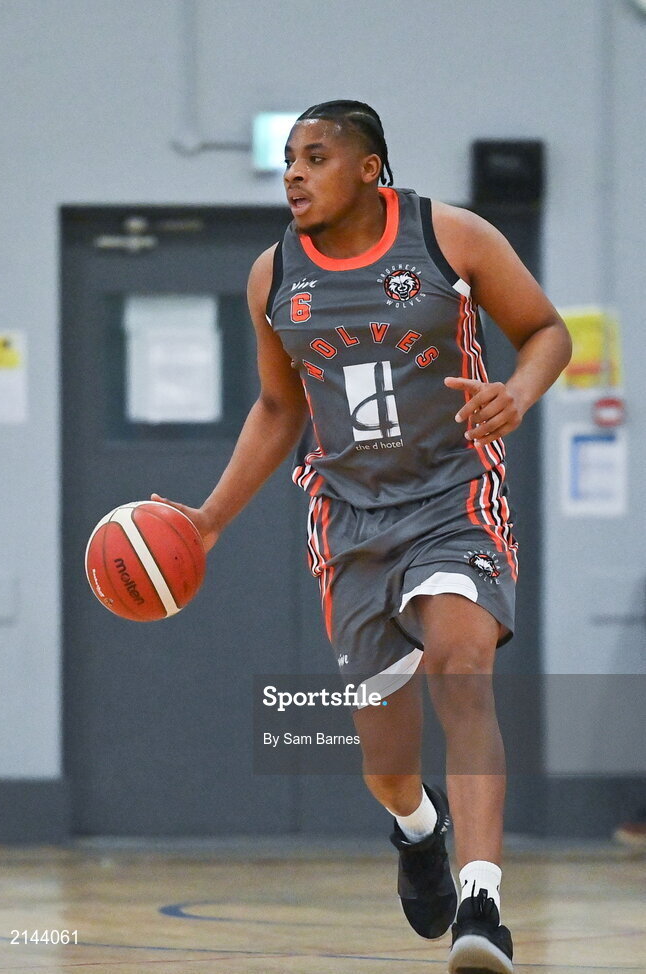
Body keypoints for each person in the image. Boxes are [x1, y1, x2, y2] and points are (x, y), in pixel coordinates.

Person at [152, 100, 571, 974]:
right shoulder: (275, 274)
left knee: (462, 664)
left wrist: (520, 393)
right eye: (288, 162)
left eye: (315, 158)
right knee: (386, 761)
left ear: (370, 169)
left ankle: (482, 901)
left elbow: (545, 330)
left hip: (455, 495)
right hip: (350, 521)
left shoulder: (450, 237)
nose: (294, 175)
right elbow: (278, 406)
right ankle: (418, 829)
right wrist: (209, 518)